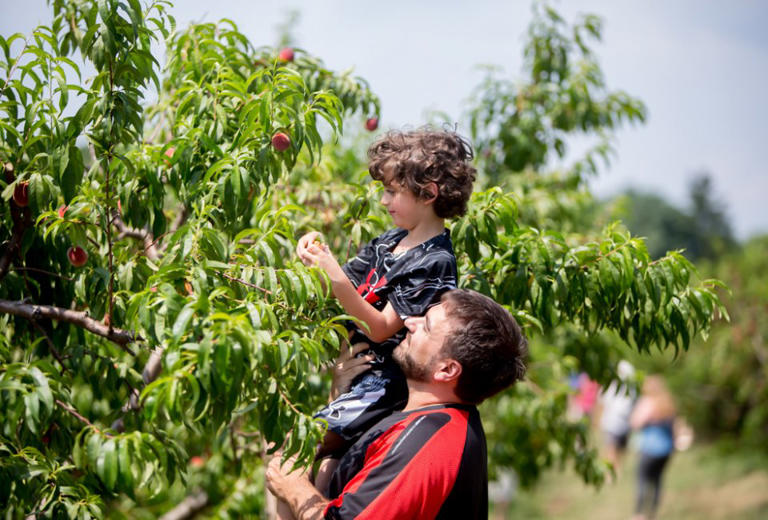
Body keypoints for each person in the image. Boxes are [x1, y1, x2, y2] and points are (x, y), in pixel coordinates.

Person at [295, 129, 477, 477]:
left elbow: (379, 328)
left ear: (428, 193)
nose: (383, 200)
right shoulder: (392, 240)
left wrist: (331, 272)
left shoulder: (435, 261)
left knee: (295, 451)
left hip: (383, 383)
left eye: (392, 191)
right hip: (357, 373)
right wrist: (318, 256)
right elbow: (343, 284)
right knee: (315, 468)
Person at [266, 289, 528, 519]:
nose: (409, 322)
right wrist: (341, 403)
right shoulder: (421, 419)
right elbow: (338, 494)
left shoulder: (429, 441)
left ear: (447, 369)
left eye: (426, 325)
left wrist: (293, 485)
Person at [630, 375, 676, 520]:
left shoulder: (647, 403)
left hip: (650, 449)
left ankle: (639, 513)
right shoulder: (668, 403)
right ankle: (653, 513)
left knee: (642, 480)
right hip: (666, 449)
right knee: (657, 481)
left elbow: (636, 423)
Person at [599, 360, 637, 474]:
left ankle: (616, 471)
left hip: (624, 422)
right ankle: (611, 472)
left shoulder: (631, 387)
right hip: (613, 421)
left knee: (618, 449)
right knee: (611, 448)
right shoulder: (612, 384)